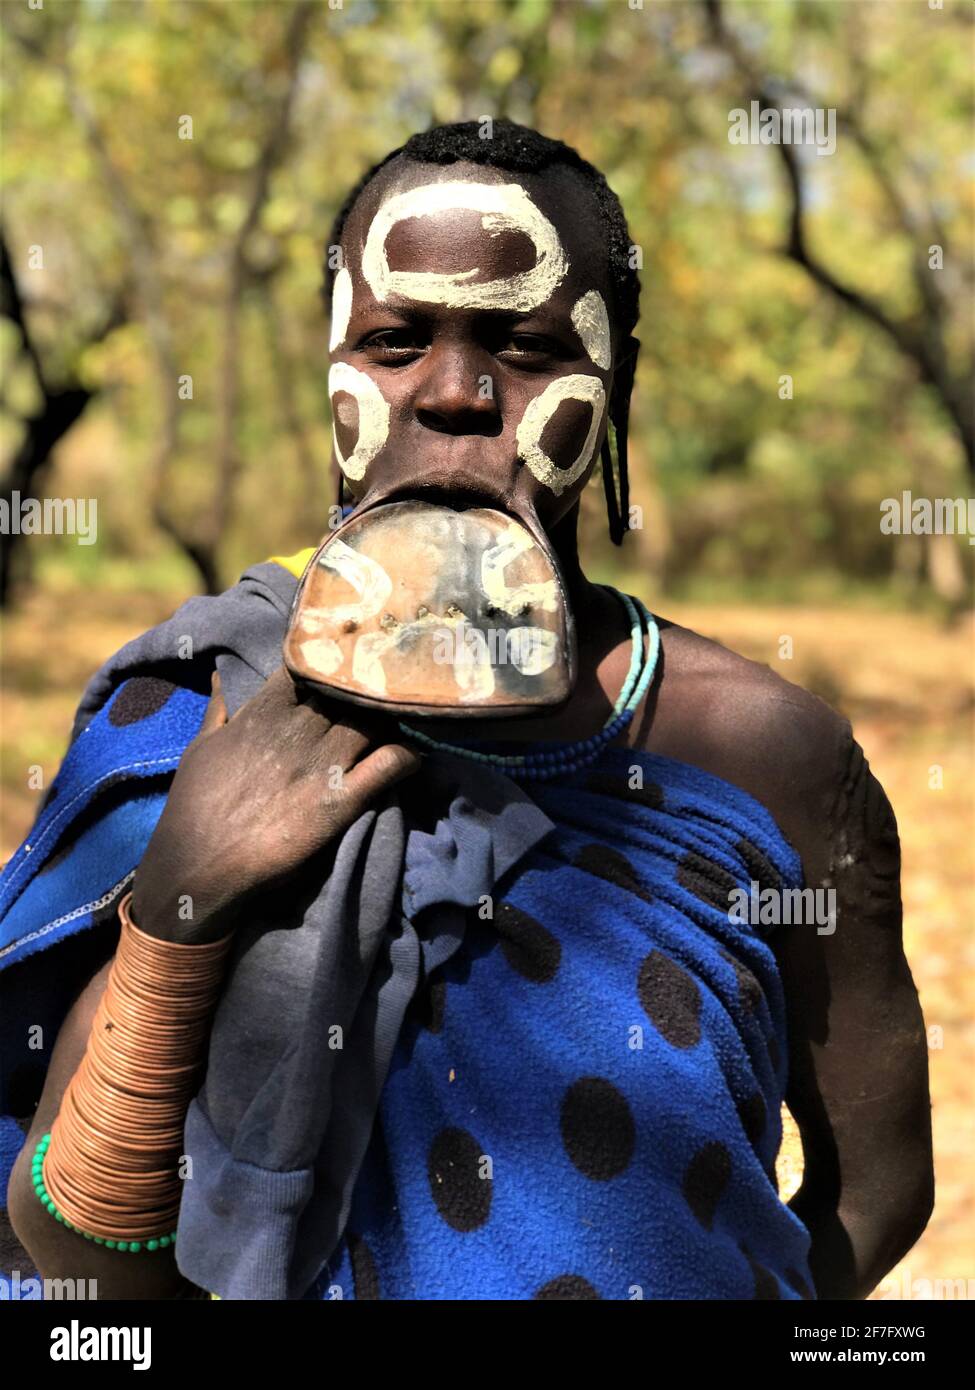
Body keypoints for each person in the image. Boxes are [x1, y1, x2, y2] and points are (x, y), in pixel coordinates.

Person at [1, 120, 933, 1301]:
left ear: (615, 385)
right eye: (395, 341)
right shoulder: (203, 705)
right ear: (334, 384)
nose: (454, 391)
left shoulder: (766, 752)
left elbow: (879, 1188)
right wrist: (184, 896)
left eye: (527, 344)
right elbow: (75, 1245)